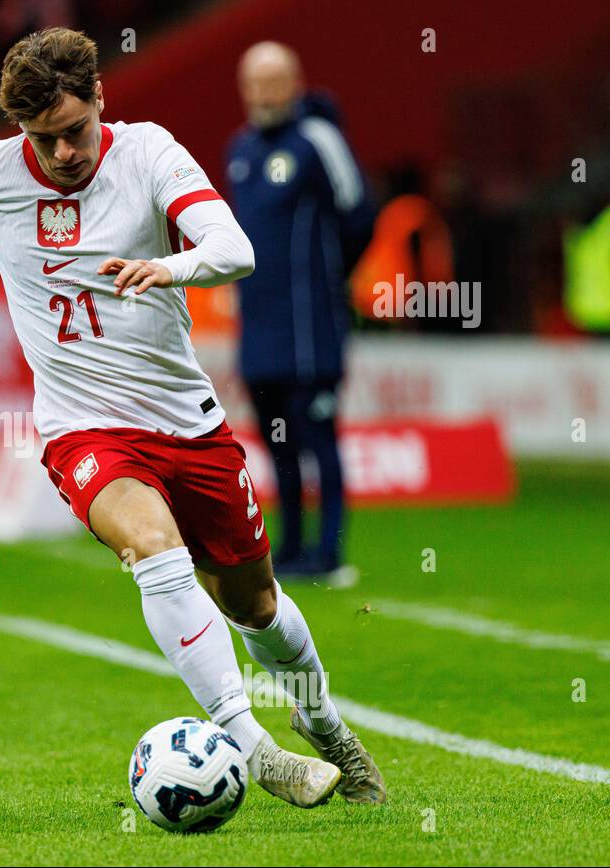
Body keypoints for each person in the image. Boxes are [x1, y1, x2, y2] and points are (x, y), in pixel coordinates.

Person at [0, 28, 385, 806]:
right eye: (44, 139)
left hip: (186, 423)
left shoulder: (148, 154)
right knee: (153, 548)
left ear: (101, 97)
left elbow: (234, 249)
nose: (64, 152)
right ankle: (254, 747)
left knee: (257, 605)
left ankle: (323, 721)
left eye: (75, 130)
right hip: (84, 429)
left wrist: (167, 267)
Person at [226, 42, 374, 581]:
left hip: (311, 330)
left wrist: (325, 279)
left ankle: (329, 553)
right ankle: (288, 550)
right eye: (254, 83)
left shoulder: (318, 140)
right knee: (278, 445)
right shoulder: (240, 149)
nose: (263, 94)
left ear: (295, 84)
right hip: (258, 330)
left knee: (318, 438)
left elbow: (360, 215)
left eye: (273, 82)